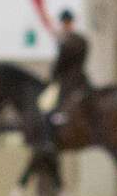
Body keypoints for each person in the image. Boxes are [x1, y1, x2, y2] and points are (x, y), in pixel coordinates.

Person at [36, 8, 89, 137]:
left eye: (65, 22)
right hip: (82, 79)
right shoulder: (80, 40)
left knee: (47, 109)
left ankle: (50, 138)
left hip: (67, 82)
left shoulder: (66, 41)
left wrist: (51, 78)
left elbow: (60, 65)